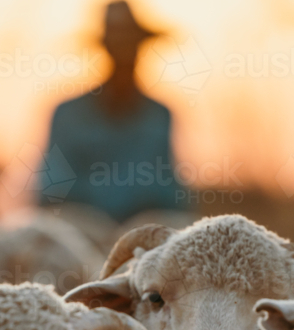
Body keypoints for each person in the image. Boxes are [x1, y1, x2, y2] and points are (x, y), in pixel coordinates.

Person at [38, 1, 187, 222]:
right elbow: (52, 191)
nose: (124, 55)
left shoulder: (160, 116)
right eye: (118, 45)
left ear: (140, 48)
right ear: (106, 49)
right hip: (82, 229)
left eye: (130, 44)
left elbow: (170, 193)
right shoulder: (68, 115)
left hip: (142, 230)